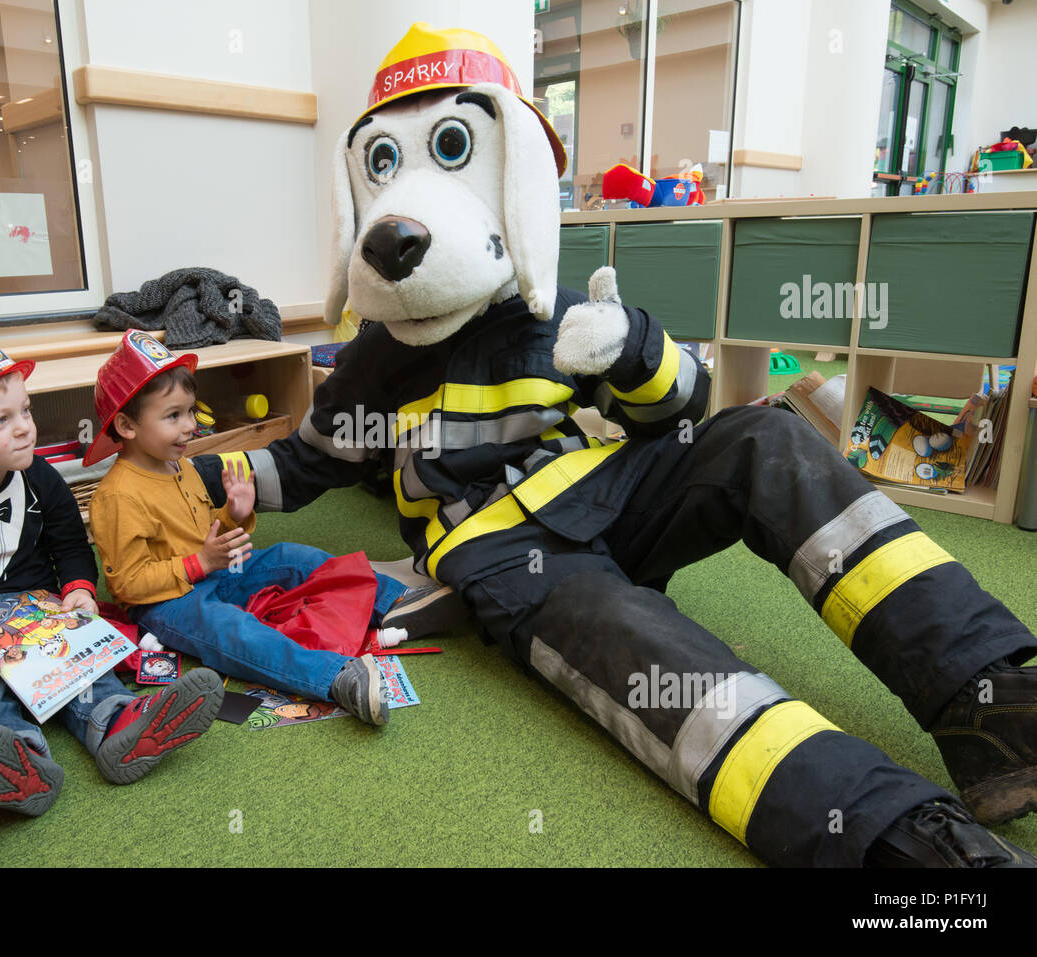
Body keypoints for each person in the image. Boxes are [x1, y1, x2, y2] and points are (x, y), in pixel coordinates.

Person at [188, 23, 1037, 868]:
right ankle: (900, 842)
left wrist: (633, 345)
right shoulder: (379, 355)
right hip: (501, 551)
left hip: (606, 490)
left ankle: (990, 697)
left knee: (764, 439)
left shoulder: (550, 307)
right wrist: (185, 478)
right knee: (635, 638)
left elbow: (676, 413)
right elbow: (304, 461)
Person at [0, 325, 222, 818]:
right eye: (0, 420)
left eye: (25, 410)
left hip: (37, 612)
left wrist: (79, 589)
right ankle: (18, 764)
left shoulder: (41, 479)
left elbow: (70, 548)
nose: (24, 427)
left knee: (82, 670)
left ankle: (118, 724)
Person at [86, 330, 407, 726]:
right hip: (168, 602)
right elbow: (128, 585)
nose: (190, 426)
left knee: (292, 555)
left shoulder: (179, 464)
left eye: (190, 411)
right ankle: (335, 676)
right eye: (174, 416)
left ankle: (395, 601)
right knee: (231, 630)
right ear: (127, 426)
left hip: (215, 570)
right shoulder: (117, 496)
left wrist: (234, 513)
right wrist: (200, 563)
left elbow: (206, 536)